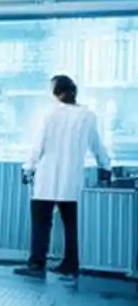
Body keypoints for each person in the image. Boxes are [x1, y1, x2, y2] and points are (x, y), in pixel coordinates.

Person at [15, 74, 111, 285]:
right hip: (72, 180)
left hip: (47, 178)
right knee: (71, 225)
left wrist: (28, 168)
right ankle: (70, 264)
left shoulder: (49, 114)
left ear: (56, 93)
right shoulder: (88, 116)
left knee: (41, 223)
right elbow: (97, 145)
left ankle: (37, 265)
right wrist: (105, 166)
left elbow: (37, 145)